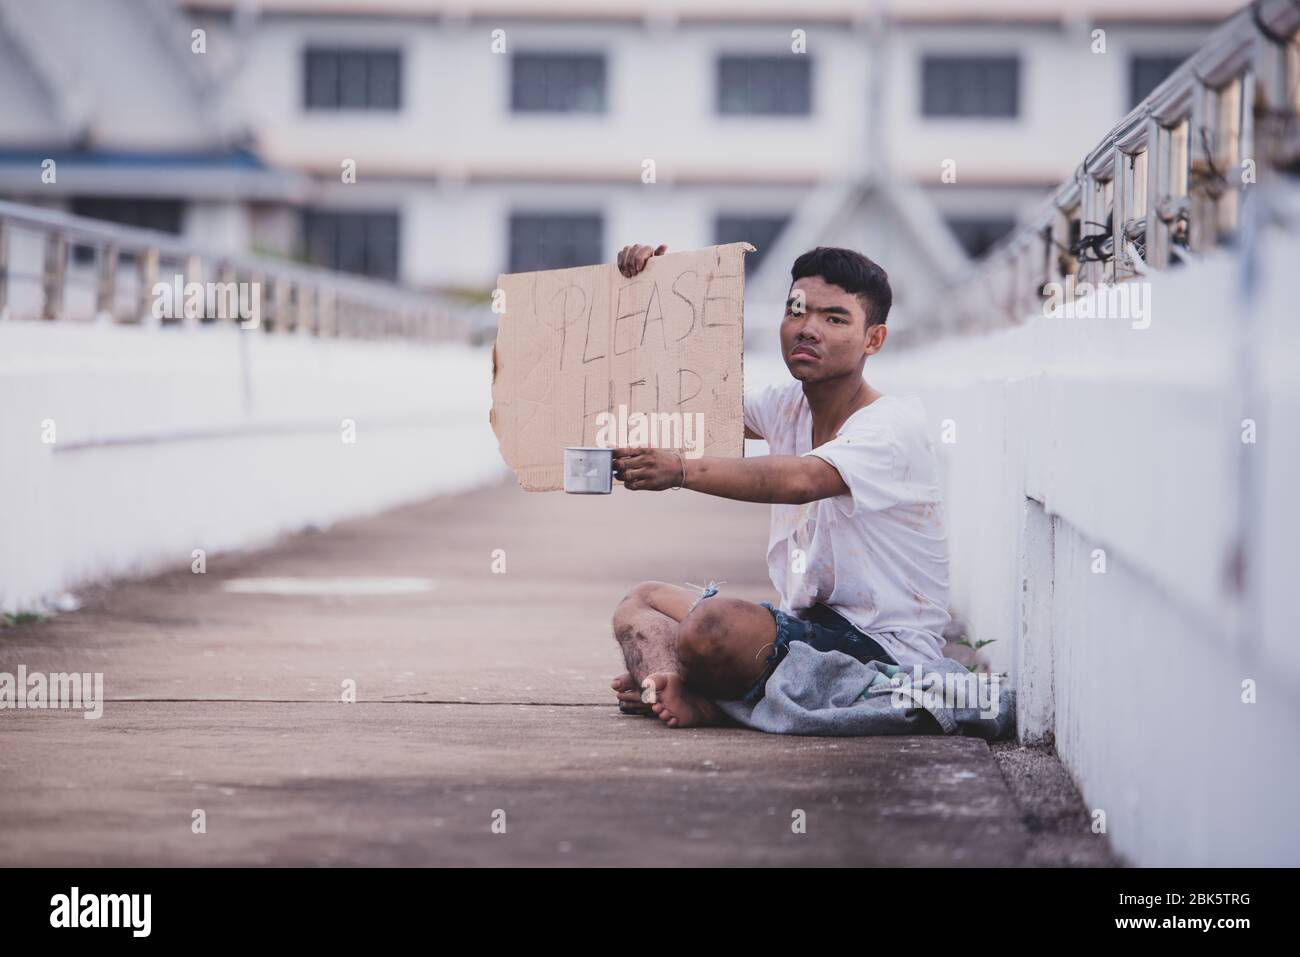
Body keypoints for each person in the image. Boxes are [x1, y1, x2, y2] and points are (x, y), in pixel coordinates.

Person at [609, 242, 951, 728]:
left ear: (873, 340)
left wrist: (681, 471)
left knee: (713, 626)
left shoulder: (891, 427)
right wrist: (653, 293)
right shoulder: (786, 403)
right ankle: (667, 684)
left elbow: (802, 479)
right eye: (797, 311)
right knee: (641, 601)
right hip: (806, 629)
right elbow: (680, 398)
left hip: (881, 650)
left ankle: (707, 698)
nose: (808, 328)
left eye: (834, 319)